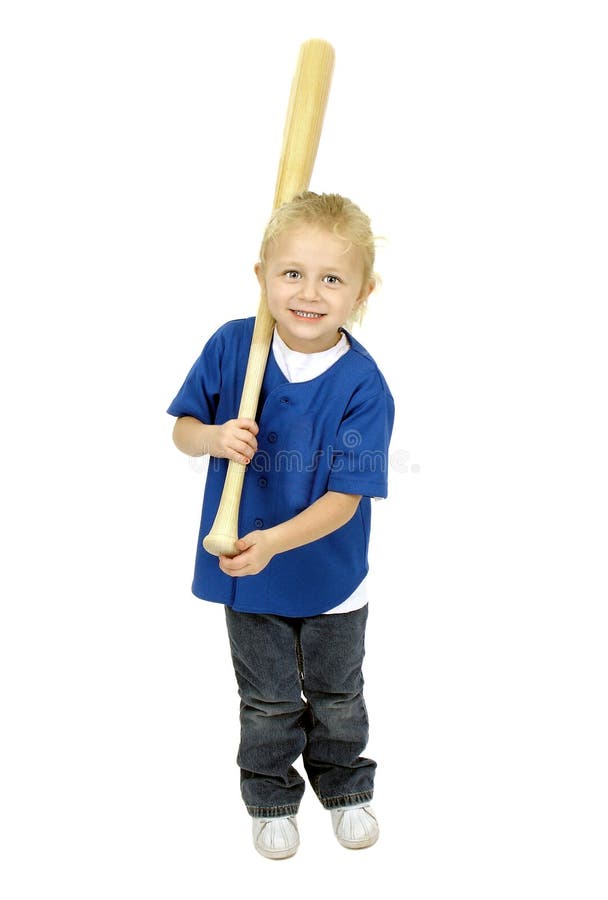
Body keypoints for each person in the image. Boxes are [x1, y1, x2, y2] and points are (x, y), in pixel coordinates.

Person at [168, 192, 394, 859]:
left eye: (332, 278)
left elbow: (344, 502)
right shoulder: (234, 345)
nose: (309, 292)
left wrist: (276, 542)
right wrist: (213, 438)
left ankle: (345, 786)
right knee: (266, 698)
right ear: (262, 274)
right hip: (245, 566)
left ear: (363, 290)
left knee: (337, 695)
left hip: (327, 576)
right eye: (291, 272)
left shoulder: (363, 384)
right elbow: (181, 432)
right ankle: (269, 792)